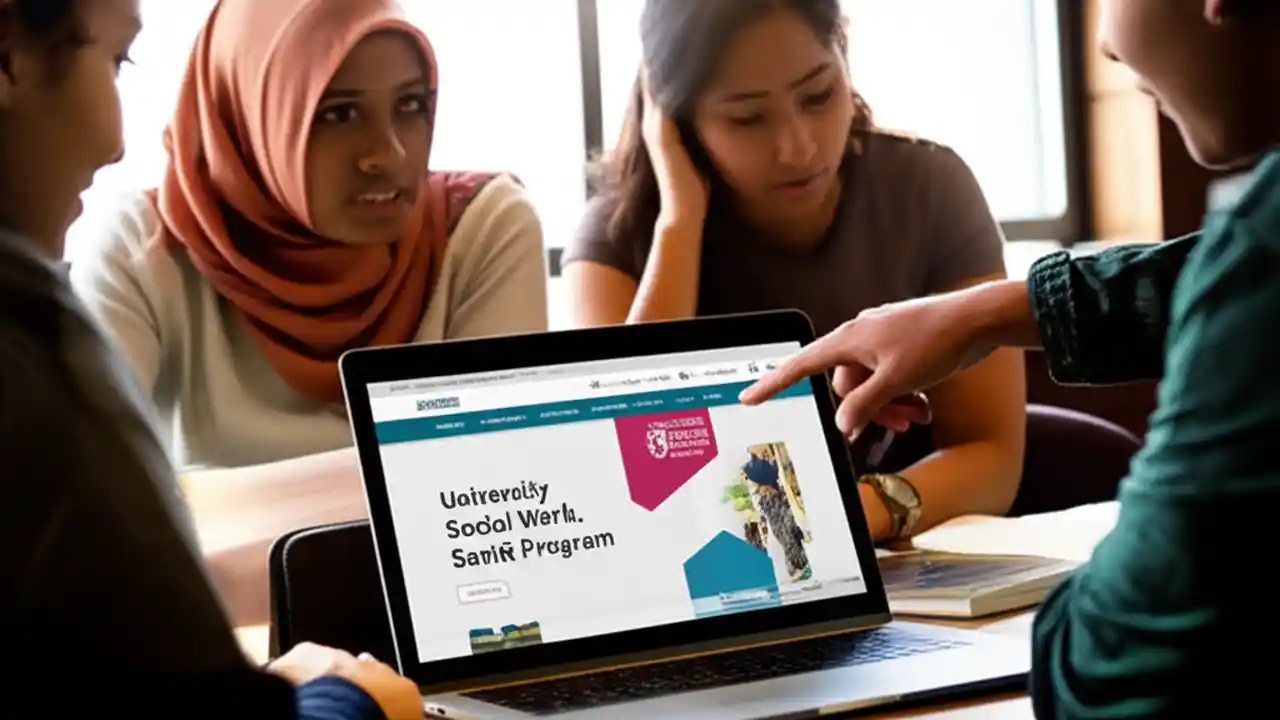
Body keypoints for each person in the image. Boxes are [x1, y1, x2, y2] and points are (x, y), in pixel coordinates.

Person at [741, 0, 1280, 714]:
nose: (1105, 47)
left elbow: (1111, 662)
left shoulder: (1260, 251)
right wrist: (987, 313)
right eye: (746, 116)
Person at [0, 0, 422, 717]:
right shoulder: (35, 333)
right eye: (116, 59)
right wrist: (350, 700)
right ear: (7, 55)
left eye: (412, 104)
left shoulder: (476, 222)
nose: (115, 144)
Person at [68, 0, 549, 624]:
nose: (387, 154)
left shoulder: (480, 229)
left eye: (410, 105)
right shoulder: (144, 246)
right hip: (218, 647)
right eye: (338, 113)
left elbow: (499, 506)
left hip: (441, 634)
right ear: (249, 112)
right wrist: (399, 494)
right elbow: (89, 511)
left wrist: (215, 516)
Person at [562, 0, 1026, 547]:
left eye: (818, 95)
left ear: (843, 56)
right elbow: (633, 482)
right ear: (675, 120)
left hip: (897, 562)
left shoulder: (929, 189)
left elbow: (992, 455)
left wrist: (854, 516)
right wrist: (680, 223)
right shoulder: (618, 235)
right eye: (748, 118)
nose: (798, 147)